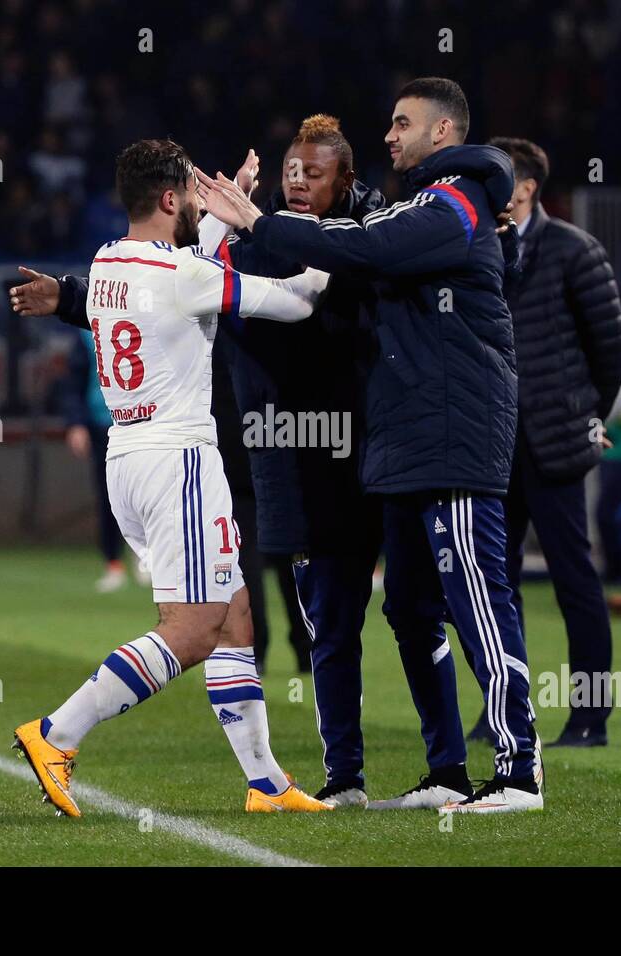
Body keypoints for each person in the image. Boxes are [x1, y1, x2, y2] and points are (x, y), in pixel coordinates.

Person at [204, 78, 543, 813]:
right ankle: (447, 775)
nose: (391, 135)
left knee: (479, 600)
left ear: (444, 131)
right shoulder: (429, 204)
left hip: (450, 435)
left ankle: (519, 772)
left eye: (402, 123)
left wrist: (257, 224)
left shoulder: (453, 201)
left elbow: (368, 246)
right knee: (413, 608)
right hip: (407, 445)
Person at [8, 139, 332, 816]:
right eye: (191, 193)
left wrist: (217, 214)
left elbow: (180, 268)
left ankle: (266, 783)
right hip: (178, 459)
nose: (197, 202)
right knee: (192, 631)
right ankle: (56, 732)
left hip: (129, 454)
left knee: (237, 616)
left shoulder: (108, 261)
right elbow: (296, 301)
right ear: (167, 199)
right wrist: (334, 249)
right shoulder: (180, 276)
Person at [198, 118, 386, 807]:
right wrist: (226, 232)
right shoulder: (257, 248)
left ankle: (457, 770)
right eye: (292, 169)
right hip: (301, 467)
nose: (300, 181)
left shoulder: (376, 241)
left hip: (379, 459)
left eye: (317, 171)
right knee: (331, 629)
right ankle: (347, 777)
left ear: (345, 181)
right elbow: (194, 285)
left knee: (425, 613)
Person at [478, 136, 621, 748]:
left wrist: (585, 414)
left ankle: (589, 718)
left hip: (554, 443)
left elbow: (612, 350)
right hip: (492, 442)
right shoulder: (477, 246)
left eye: (497, 176)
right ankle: (504, 717)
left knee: (575, 580)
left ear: (527, 188)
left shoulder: (573, 249)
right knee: (492, 586)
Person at [56, 327, 129, 592]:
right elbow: (73, 381)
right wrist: (76, 423)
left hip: (142, 423)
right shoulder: (87, 332)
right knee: (109, 495)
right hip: (103, 424)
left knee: (150, 494)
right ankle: (113, 562)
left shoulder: (150, 316)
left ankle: (150, 560)